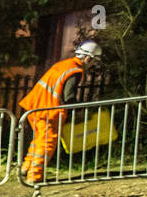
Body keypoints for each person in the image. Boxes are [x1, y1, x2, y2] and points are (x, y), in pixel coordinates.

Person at [18, 40, 101, 183]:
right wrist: (79, 111)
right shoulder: (75, 71)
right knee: (47, 143)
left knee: (39, 140)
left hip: (34, 106)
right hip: (47, 110)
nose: (93, 64)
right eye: (94, 61)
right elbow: (68, 97)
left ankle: (26, 168)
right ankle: (34, 176)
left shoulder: (64, 64)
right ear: (88, 58)